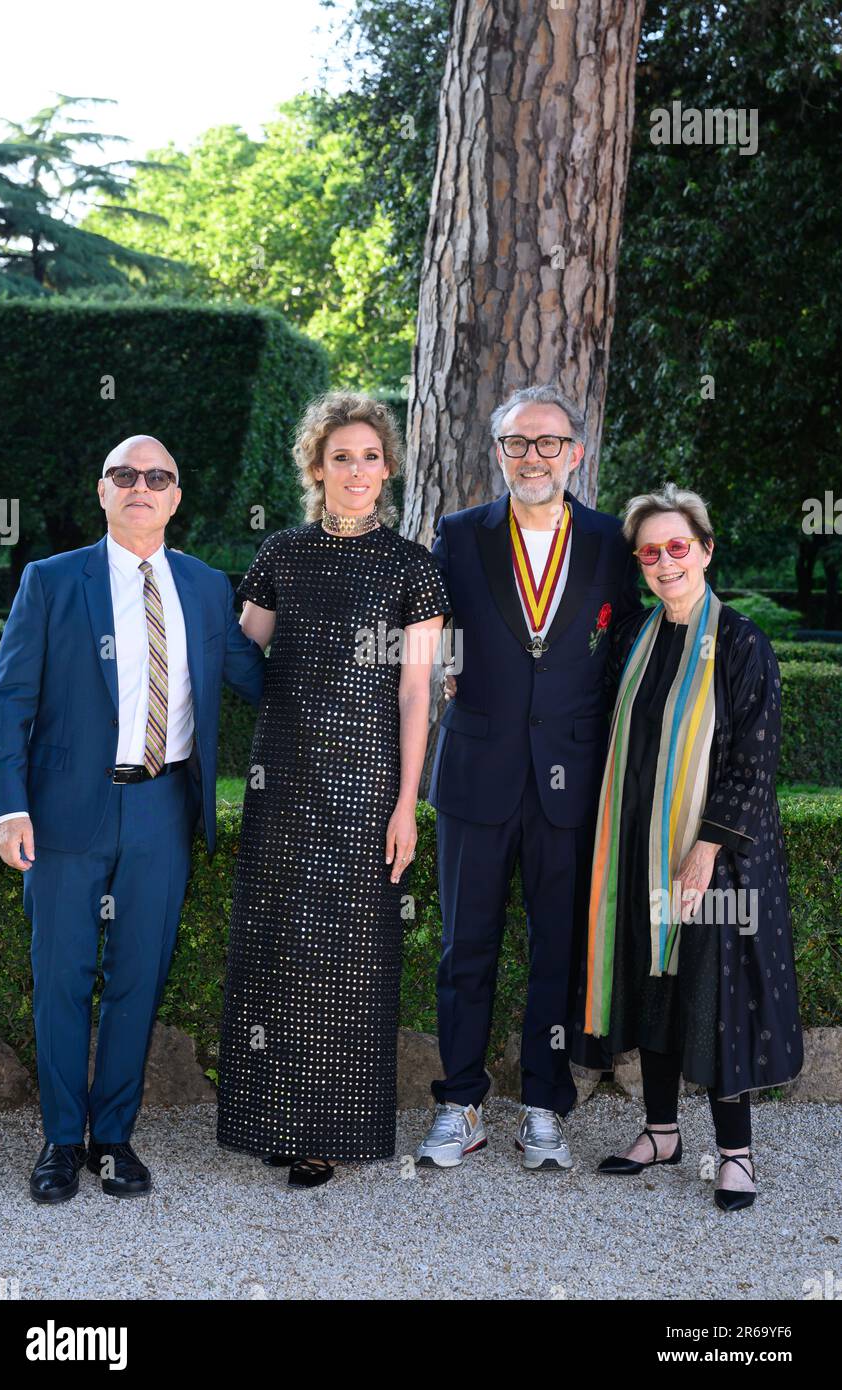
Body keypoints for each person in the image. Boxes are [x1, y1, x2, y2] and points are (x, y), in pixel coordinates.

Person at [0, 435, 267, 1203]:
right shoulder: (51, 580)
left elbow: (262, 680)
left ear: (176, 498)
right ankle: (59, 1140)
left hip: (162, 811)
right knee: (61, 978)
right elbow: (8, 701)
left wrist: (364, 682)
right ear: (103, 491)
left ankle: (112, 1138)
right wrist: (9, 807)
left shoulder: (205, 586)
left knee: (138, 978)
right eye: (125, 474)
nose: (141, 485)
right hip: (62, 813)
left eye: (157, 476)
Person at [216, 392, 449, 1188]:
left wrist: (406, 804)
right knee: (277, 949)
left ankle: (327, 1131)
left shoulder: (413, 568)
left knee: (350, 956)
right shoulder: (281, 553)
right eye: (341, 457)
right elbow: (240, 654)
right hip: (281, 780)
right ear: (316, 468)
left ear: (388, 469)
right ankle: (275, 1120)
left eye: (370, 457)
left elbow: (416, 693)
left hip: (367, 786)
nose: (357, 470)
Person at [415, 384, 642, 1171]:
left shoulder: (611, 541)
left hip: (571, 778)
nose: (533, 456)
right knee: (464, 948)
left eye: (548, 442)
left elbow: (628, 649)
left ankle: (545, 1106)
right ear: (499, 452)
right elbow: (425, 630)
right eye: (517, 442)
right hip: (476, 770)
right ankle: (460, 1104)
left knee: (558, 948)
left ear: (575, 452)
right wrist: (443, 669)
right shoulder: (459, 534)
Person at [584, 482, 804, 1211]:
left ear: (706, 550)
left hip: (719, 857)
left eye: (678, 546)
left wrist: (706, 850)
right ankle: (660, 1132)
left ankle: (735, 1153)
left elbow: (753, 761)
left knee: (716, 996)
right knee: (657, 985)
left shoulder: (741, 642)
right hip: (639, 845)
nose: (665, 562)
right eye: (650, 552)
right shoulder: (634, 638)